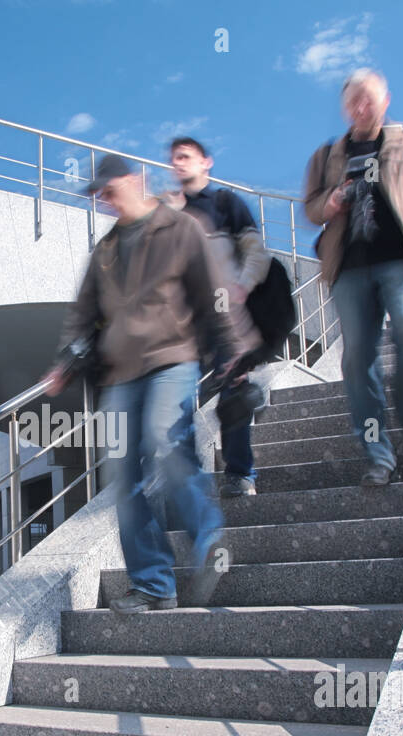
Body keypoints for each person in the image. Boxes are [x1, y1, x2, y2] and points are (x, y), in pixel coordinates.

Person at [46, 154, 258, 613]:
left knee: (165, 437)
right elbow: (82, 314)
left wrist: (232, 351)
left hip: (172, 358)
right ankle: (155, 585)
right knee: (122, 476)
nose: (105, 198)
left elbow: (213, 289)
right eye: (99, 194)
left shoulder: (179, 229)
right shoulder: (104, 252)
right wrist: (65, 360)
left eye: (110, 188)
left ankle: (209, 537)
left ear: (135, 180)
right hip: (121, 374)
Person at [303, 68, 403, 487]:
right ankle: (379, 455)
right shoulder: (327, 155)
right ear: (344, 108)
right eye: (352, 102)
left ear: (386, 100)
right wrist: (332, 201)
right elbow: (310, 208)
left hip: (401, 259)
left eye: (368, 99)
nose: (360, 108)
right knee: (358, 357)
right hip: (349, 267)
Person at [170, 136, 272, 497]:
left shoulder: (227, 204)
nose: (178, 163)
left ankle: (240, 473)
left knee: (233, 397)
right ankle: (191, 481)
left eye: (186, 157)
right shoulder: (173, 216)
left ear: (205, 162)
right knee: (176, 402)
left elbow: (255, 251)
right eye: (174, 159)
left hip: (225, 314)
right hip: (185, 325)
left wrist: (242, 285)